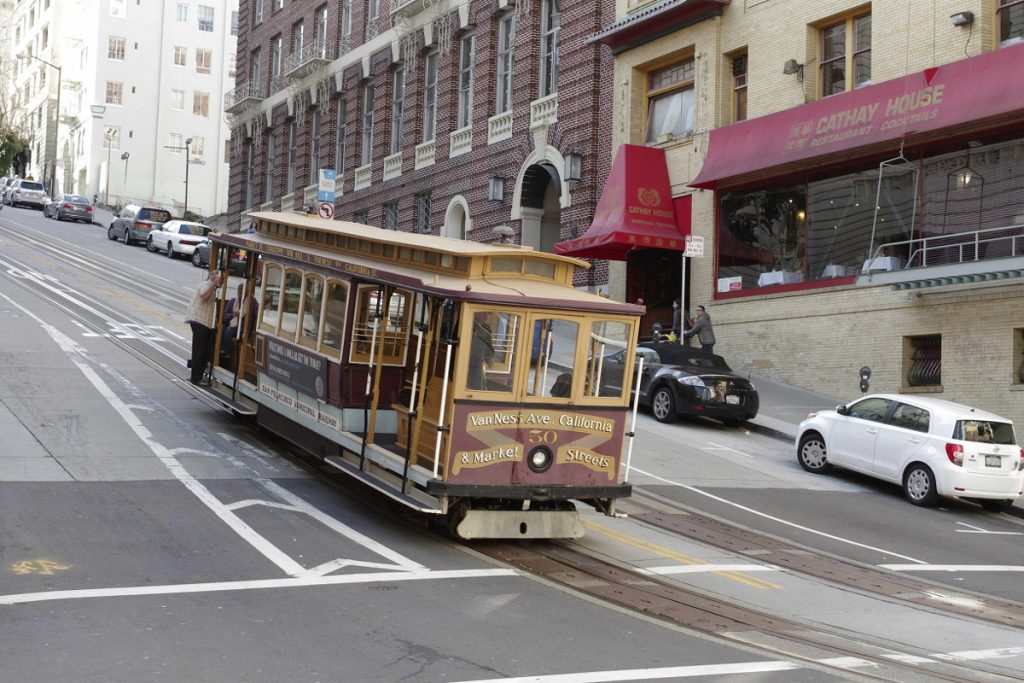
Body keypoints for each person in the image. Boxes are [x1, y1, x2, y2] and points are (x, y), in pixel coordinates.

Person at [185, 269, 223, 385]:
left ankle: (198, 376)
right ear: (213, 277)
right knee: (199, 351)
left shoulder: (210, 286)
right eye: (220, 279)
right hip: (199, 322)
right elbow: (204, 296)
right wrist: (213, 285)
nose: (221, 282)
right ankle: (196, 378)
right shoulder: (206, 284)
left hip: (204, 323)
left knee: (205, 350)